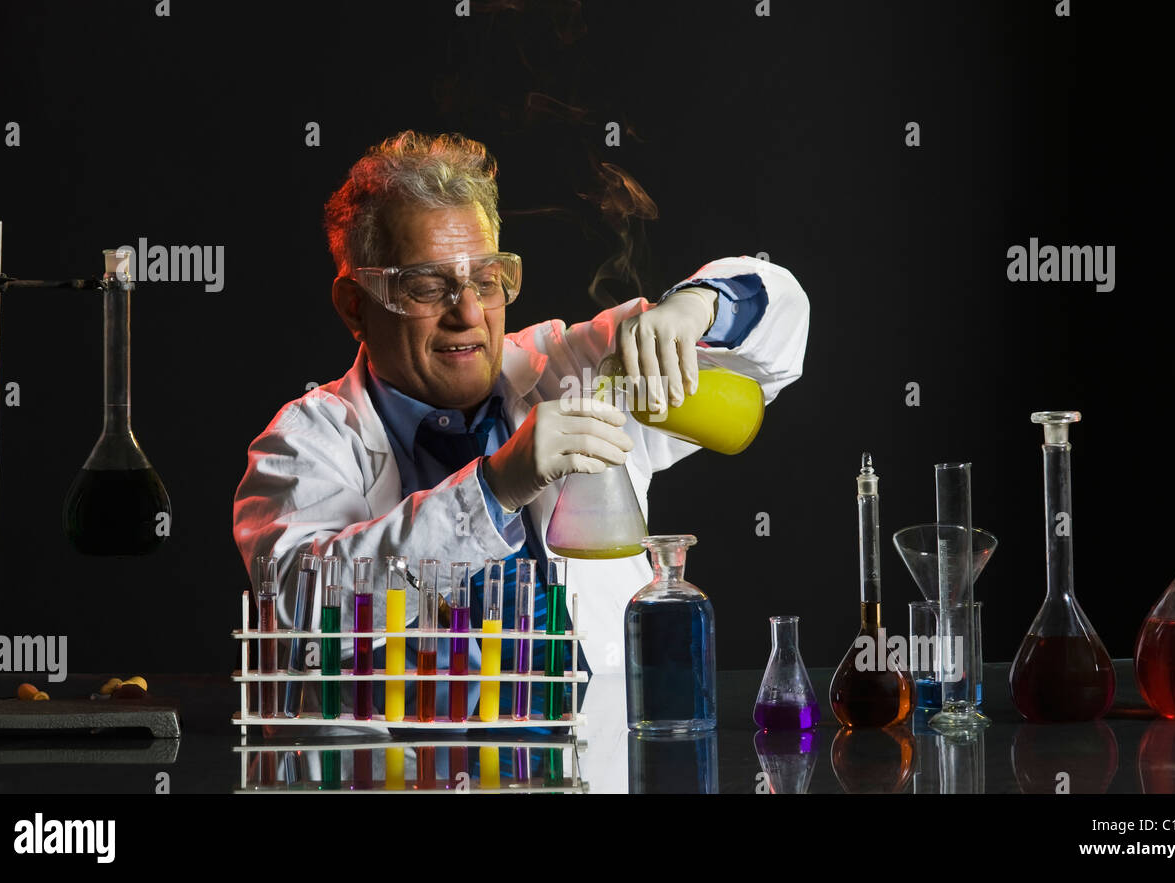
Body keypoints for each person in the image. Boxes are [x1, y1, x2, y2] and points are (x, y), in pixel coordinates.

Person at [232, 131, 809, 727]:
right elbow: (305, 613)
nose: (468, 313)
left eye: (486, 281)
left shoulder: (570, 369)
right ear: (356, 304)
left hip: (602, 759)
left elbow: (774, 344)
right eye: (429, 286)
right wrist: (495, 487)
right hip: (412, 775)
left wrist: (697, 306)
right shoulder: (306, 442)